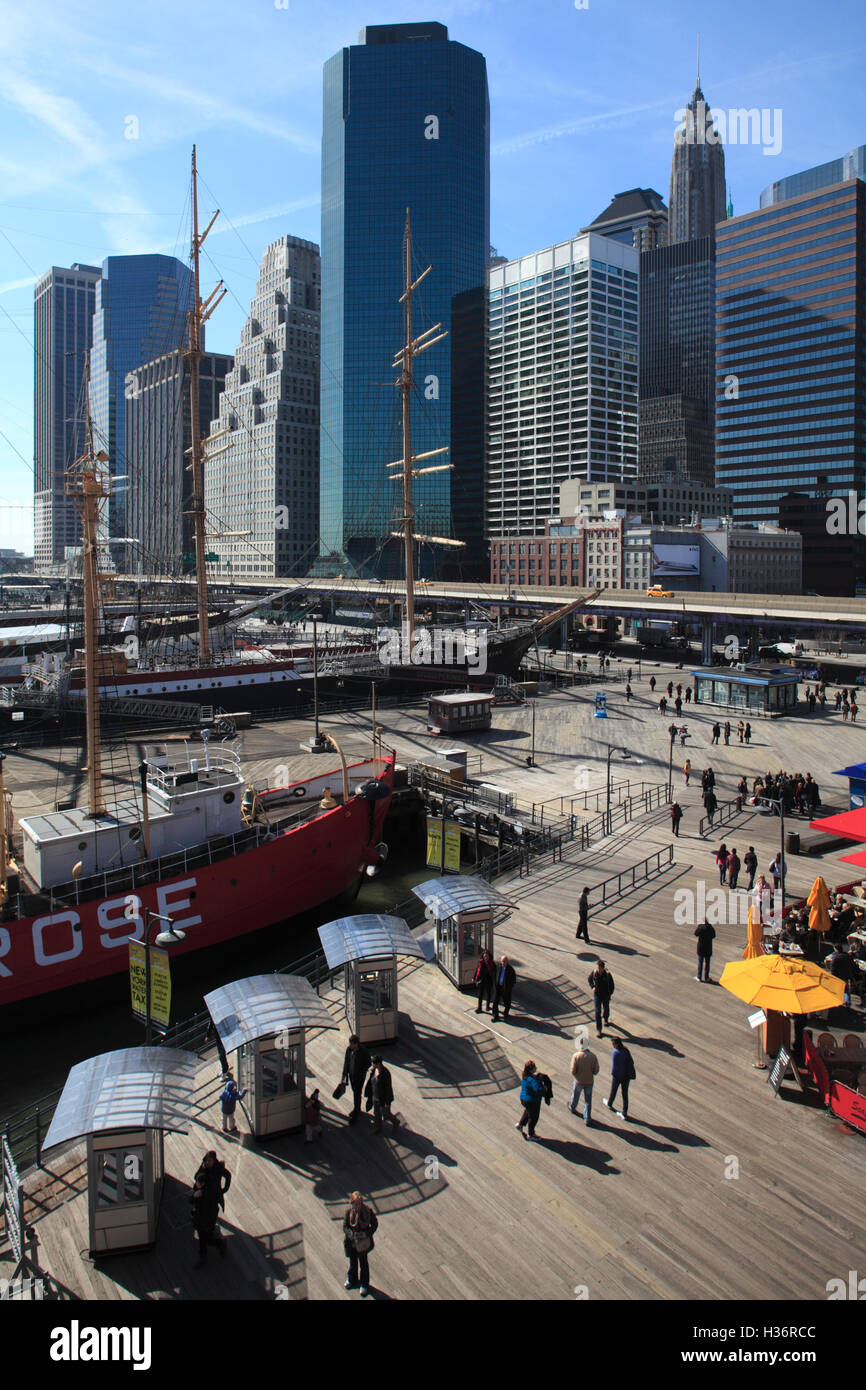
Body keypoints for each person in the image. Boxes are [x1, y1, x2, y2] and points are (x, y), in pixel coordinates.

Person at [191, 1151, 231, 1267]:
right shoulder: (203, 1171)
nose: (208, 1162)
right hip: (202, 1207)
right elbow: (197, 1180)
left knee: (205, 1234)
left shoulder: (217, 1169)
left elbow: (228, 1176)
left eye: (210, 1160)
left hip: (211, 1206)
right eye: (207, 1160)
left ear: (214, 1161)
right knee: (203, 1233)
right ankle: (206, 1254)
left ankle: (218, 1244)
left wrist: (223, 1190)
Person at [343, 1191, 378, 1296]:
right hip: (352, 1243)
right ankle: (352, 1279)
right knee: (353, 1263)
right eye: (354, 1204)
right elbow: (345, 1227)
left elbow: (375, 1224)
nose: (356, 1206)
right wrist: (352, 1236)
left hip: (363, 1244)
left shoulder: (367, 1212)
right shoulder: (348, 1213)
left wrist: (366, 1234)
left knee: (363, 1264)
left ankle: (364, 1284)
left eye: (358, 1203)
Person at [341, 1034, 371, 1125]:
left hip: (359, 1077)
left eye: (351, 1044)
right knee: (355, 1092)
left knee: (357, 1093)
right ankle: (357, 1109)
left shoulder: (364, 1051)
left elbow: (368, 1063)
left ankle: (356, 1111)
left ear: (356, 1044)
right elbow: (346, 1062)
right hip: (351, 1075)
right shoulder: (349, 1049)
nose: (349, 1045)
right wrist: (344, 1074)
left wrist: (361, 1071)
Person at [365, 1056, 399, 1134]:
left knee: (386, 1114)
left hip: (383, 1098)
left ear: (378, 1064)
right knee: (376, 1113)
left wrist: (387, 1102)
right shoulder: (373, 1070)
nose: (372, 1064)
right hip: (375, 1096)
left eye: (373, 1063)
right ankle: (378, 1127)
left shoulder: (385, 1073)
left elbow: (388, 1088)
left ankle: (395, 1121)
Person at [603, 1038, 635, 1120]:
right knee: (625, 1094)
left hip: (617, 1076)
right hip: (626, 1076)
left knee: (613, 1091)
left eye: (613, 1044)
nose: (613, 1045)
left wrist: (612, 1073)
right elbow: (631, 1062)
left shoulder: (615, 1053)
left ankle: (610, 1103)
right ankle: (624, 1112)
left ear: (617, 1044)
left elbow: (614, 1066)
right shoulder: (626, 1051)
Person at [569, 1040, 600, 1124]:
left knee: (575, 1095)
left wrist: (577, 1075)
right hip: (589, 1081)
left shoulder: (576, 1056)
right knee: (588, 1100)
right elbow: (596, 1071)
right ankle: (587, 1118)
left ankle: (572, 1107)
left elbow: (573, 1070)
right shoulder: (593, 1056)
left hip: (579, 1081)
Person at [515, 1060, 545, 1140]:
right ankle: (531, 1134)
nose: (536, 1068)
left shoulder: (525, 1076)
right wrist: (544, 1088)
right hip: (532, 1101)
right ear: (531, 1070)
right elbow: (538, 1090)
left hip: (524, 1099)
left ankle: (520, 1124)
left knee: (528, 1111)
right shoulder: (532, 1080)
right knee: (534, 1117)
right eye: (535, 1067)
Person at [588, 960, 615, 1037]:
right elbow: (589, 980)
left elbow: (612, 985)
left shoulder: (607, 974)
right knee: (597, 1012)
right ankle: (599, 1030)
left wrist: (610, 993)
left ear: (603, 968)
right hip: (597, 995)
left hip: (606, 995)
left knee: (606, 1008)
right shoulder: (594, 973)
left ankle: (606, 1019)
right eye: (597, 968)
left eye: (600, 969)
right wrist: (592, 987)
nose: (598, 970)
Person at [492, 955, 516, 1021]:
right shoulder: (498, 967)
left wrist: (509, 987)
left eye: (504, 961)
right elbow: (494, 975)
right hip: (498, 987)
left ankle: (506, 1014)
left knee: (507, 1003)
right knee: (495, 1002)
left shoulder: (510, 970)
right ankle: (495, 1016)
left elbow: (513, 980)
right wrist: (494, 984)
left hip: (505, 989)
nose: (503, 963)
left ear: (507, 962)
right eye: (502, 961)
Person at [473, 948, 496, 1013]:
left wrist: (494, 981)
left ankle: (487, 1006)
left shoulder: (492, 963)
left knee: (488, 994)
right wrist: (474, 977)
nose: (486, 957)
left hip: (488, 981)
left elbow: (494, 973)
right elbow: (477, 970)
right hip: (482, 981)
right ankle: (479, 1008)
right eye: (485, 956)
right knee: (480, 995)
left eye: (487, 956)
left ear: (489, 956)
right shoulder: (481, 962)